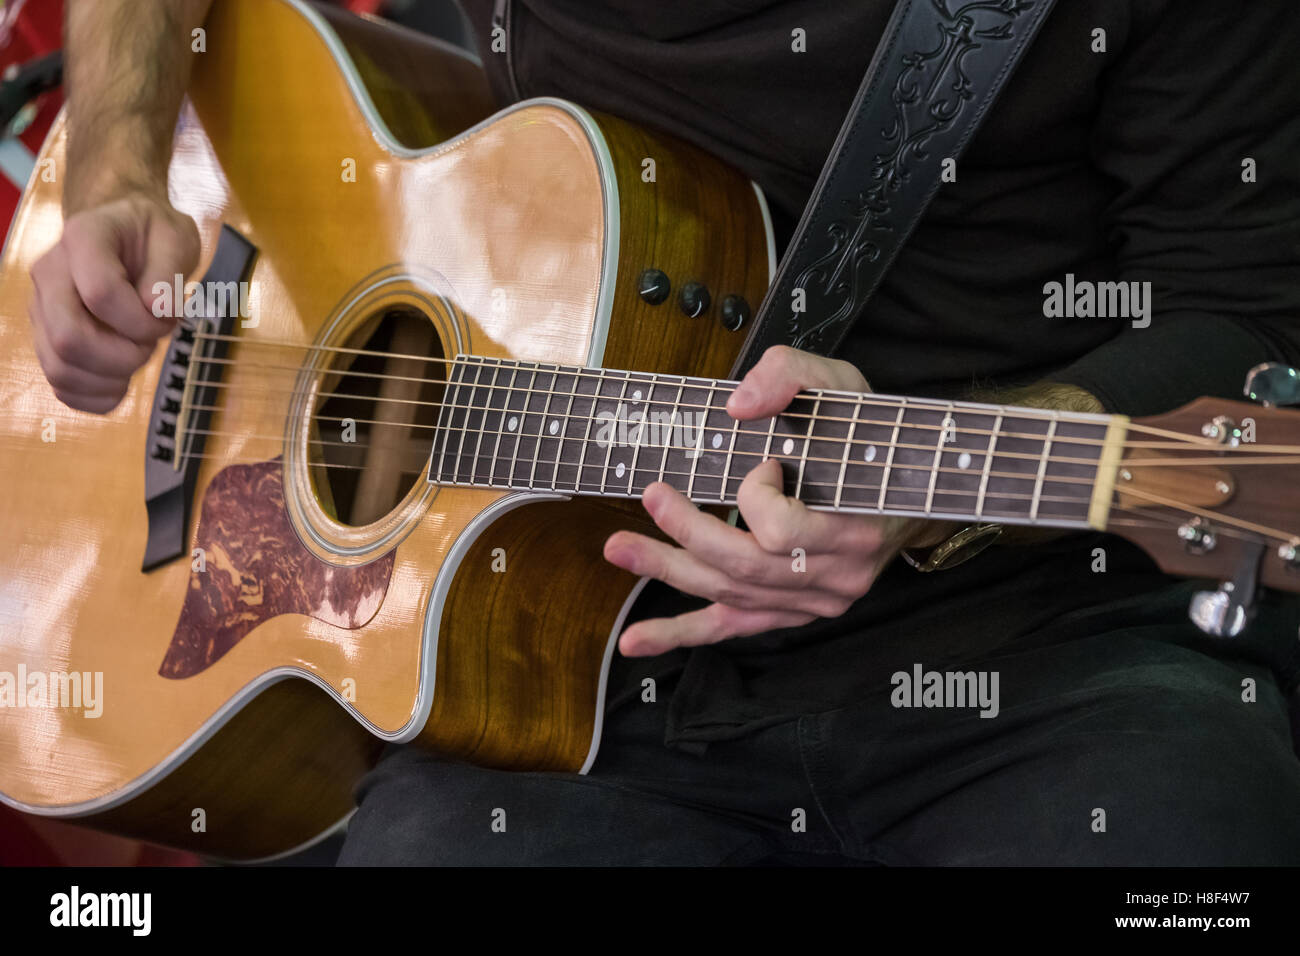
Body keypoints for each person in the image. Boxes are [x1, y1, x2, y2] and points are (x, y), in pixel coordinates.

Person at [30, 0, 1300, 865]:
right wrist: (116, 174)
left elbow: (1245, 311)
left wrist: (931, 491)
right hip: (566, 668)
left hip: (1046, 644)